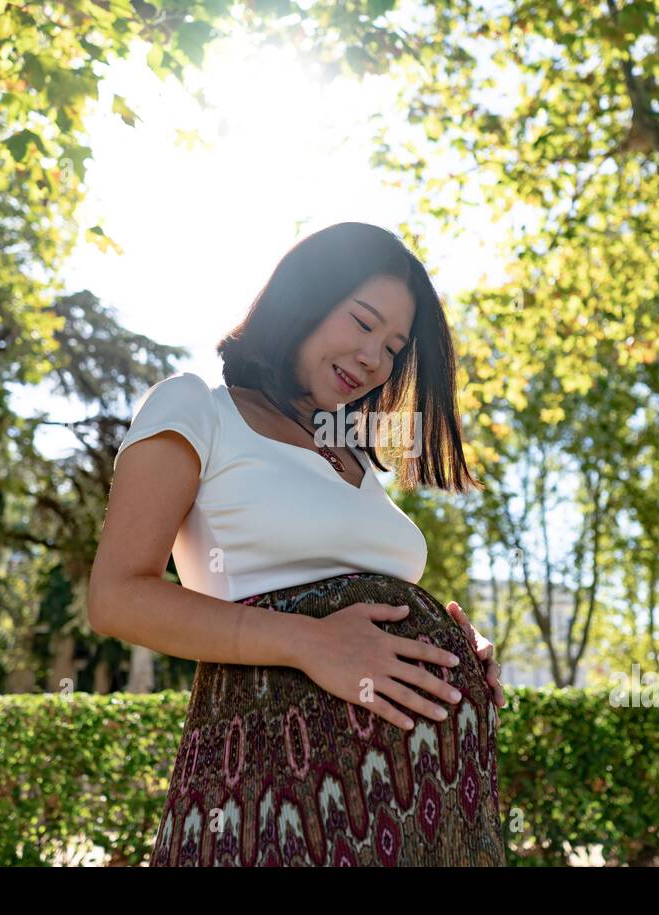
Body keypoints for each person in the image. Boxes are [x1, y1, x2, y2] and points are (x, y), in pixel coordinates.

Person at [89, 221, 508, 866]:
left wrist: (450, 646)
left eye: (395, 346)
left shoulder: (357, 463)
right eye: (362, 322)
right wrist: (309, 642)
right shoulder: (199, 409)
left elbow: (360, 596)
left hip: (428, 808)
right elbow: (117, 598)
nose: (375, 358)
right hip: (276, 790)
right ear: (303, 300)